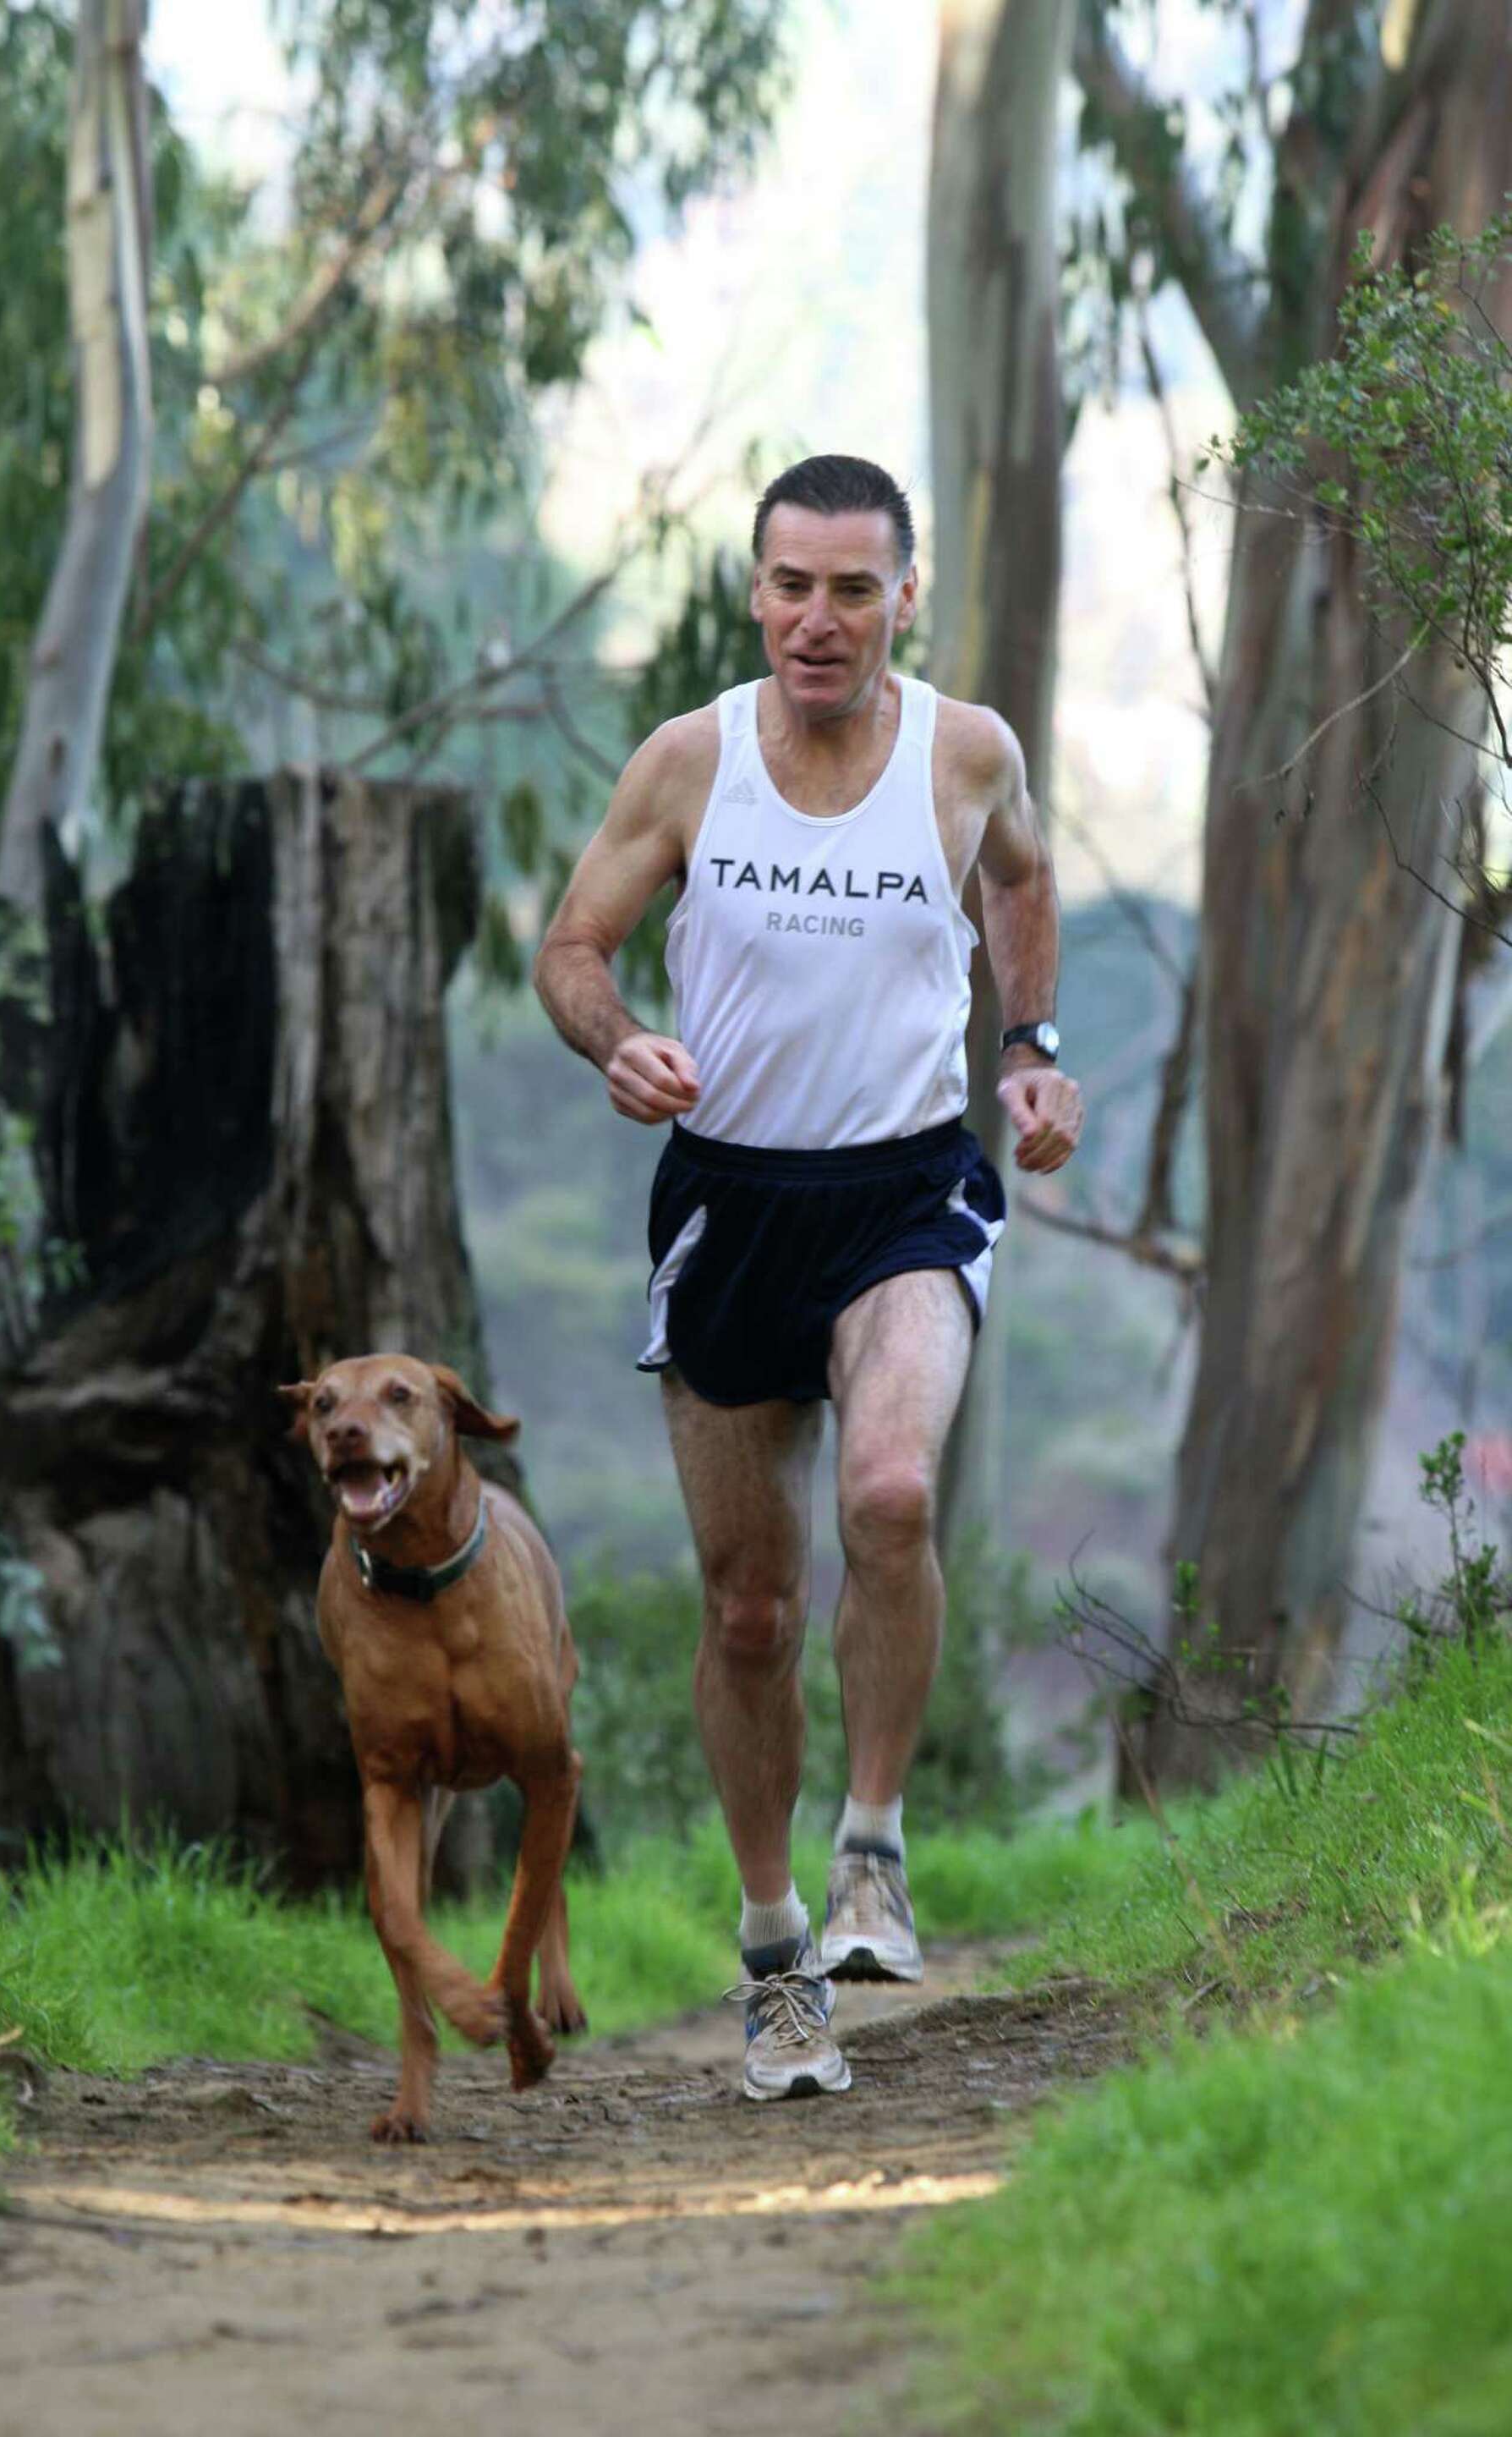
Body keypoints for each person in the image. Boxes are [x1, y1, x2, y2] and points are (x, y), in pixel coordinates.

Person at [534, 453, 1083, 2100]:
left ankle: (874, 1849)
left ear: (906, 596)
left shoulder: (965, 751)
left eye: (854, 588)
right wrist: (620, 1040)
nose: (818, 618)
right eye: (791, 584)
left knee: (896, 1494)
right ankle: (778, 1952)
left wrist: (1035, 1047)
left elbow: (1026, 879)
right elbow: (571, 947)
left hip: (906, 1193)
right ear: (754, 588)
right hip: (731, 1207)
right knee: (753, 1608)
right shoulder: (691, 761)